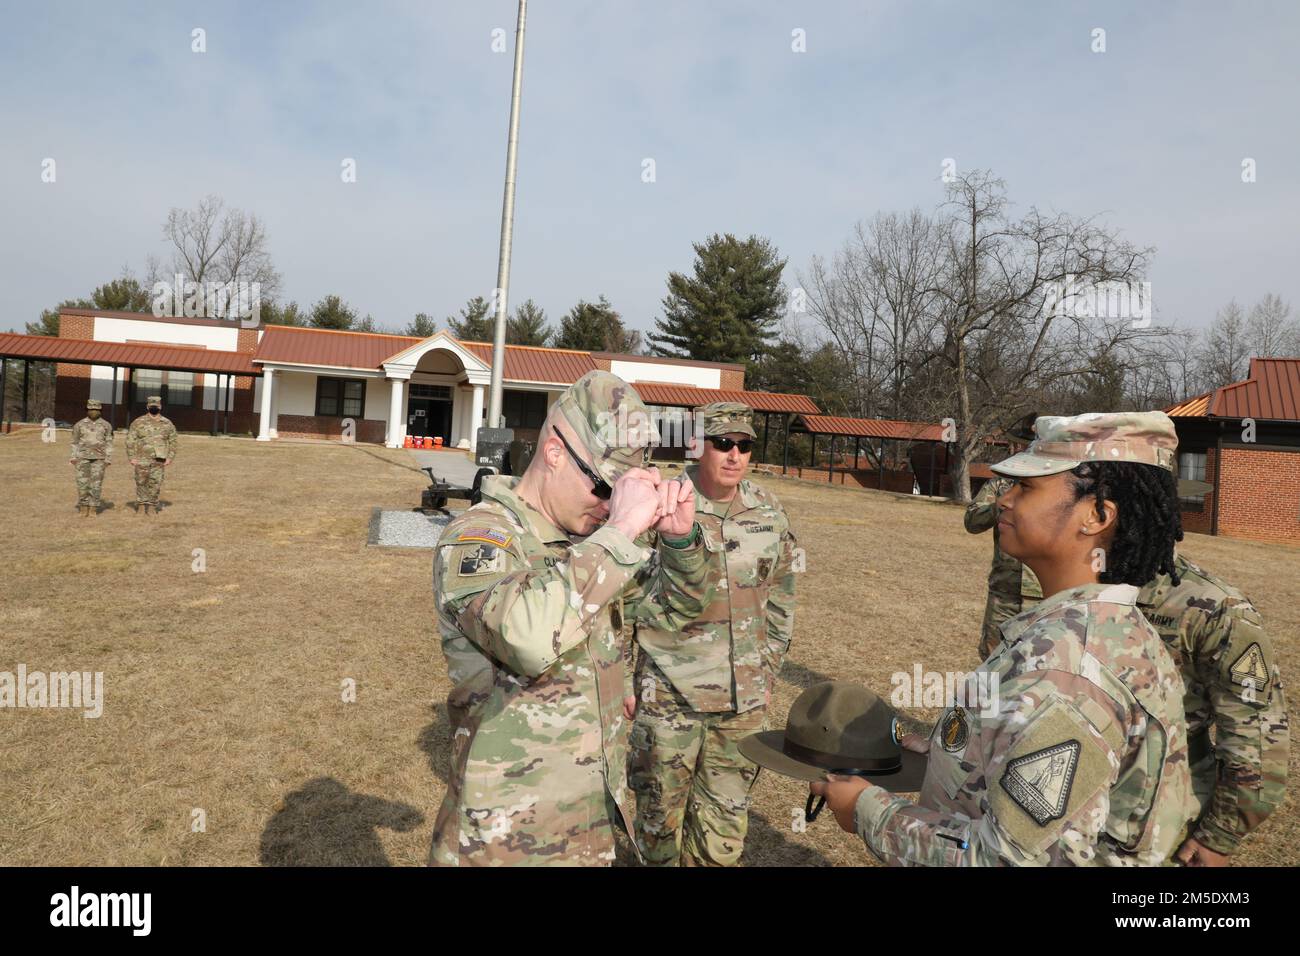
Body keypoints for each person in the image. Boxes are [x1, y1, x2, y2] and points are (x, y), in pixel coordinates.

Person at [809, 411, 1196, 865]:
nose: (1005, 501)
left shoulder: (1068, 671)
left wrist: (868, 810)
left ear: (1095, 516)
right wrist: (946, 753)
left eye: (1027, 487)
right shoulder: (1089, 630)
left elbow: (1005, 858)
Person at [429, 371, 714, 867]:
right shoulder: (480, 537)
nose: (610, 506)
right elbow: (528, 638)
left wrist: (679, 542)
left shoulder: (594, 545)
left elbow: (680, 611)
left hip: (590, 831)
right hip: (502, 843)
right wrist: (624, 528)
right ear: (555, 451)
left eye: (621, 493)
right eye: (605, 486)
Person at [628, 401, 797, 866]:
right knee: (658, 819)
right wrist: (623, 679)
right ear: (698, 446)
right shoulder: (662, 504)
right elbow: (623, 598)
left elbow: (781, 590)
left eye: (744, 446)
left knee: (723, 827)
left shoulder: (767, 509)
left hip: (742, 700)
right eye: (723, 444)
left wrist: (770, 664)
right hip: (670, 693)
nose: (734, 455)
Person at [1138, 554, 1289, 866]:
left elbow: (1257, 733)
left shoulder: (1216, 607)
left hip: (1157, 811)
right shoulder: (1062, 584)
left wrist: (1219, 836)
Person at [965, 475, 1042, 659]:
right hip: (1004, 595)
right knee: (994, 661)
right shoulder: (1001, 485)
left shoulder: (1059, 485)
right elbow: (972, 522)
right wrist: (1001, 505)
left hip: (1045, 596)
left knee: (1040, 663)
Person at [125, 396, 177, 515]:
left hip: (159, 459)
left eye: (156, 407)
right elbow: (130, 440)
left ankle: (153, 506)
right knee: (141, 481)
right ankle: (142, 506)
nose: (154, 408)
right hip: (141, 458)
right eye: (152, 407)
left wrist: (170, 457)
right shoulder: (138, 422)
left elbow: (173, 441)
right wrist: (131, 457)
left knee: (156, 482)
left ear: (161, 407)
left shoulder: (167, 423)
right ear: (147, 407)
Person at [69, 399, 113, 516]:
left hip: (99, 459)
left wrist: (108, 458)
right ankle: (83, 508)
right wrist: (73, 456)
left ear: (100, 410)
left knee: (96, 484)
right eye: (91, 409)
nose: (93, 411)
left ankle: (93, 508)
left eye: (96, 409)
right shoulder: (79, 425)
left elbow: (109, 442)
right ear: (87, 410)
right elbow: (74, 442)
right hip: (82, 458)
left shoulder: (106, 425)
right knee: (82, 484)